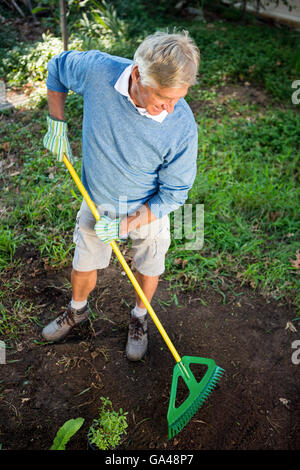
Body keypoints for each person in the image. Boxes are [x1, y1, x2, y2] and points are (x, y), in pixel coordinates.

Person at [41, 30, 200, 361]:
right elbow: (57, 68)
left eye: (178, 99)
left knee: (149, 264)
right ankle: (77, 310)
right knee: (83, 260)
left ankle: (140, 316)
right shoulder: (99, 71)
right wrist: (56, 123)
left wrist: (127, 224)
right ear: (139, 75)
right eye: (163, 99)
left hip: (147, 209)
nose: (171, 109)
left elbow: (174, 194)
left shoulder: (182, 126)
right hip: (97, 198)